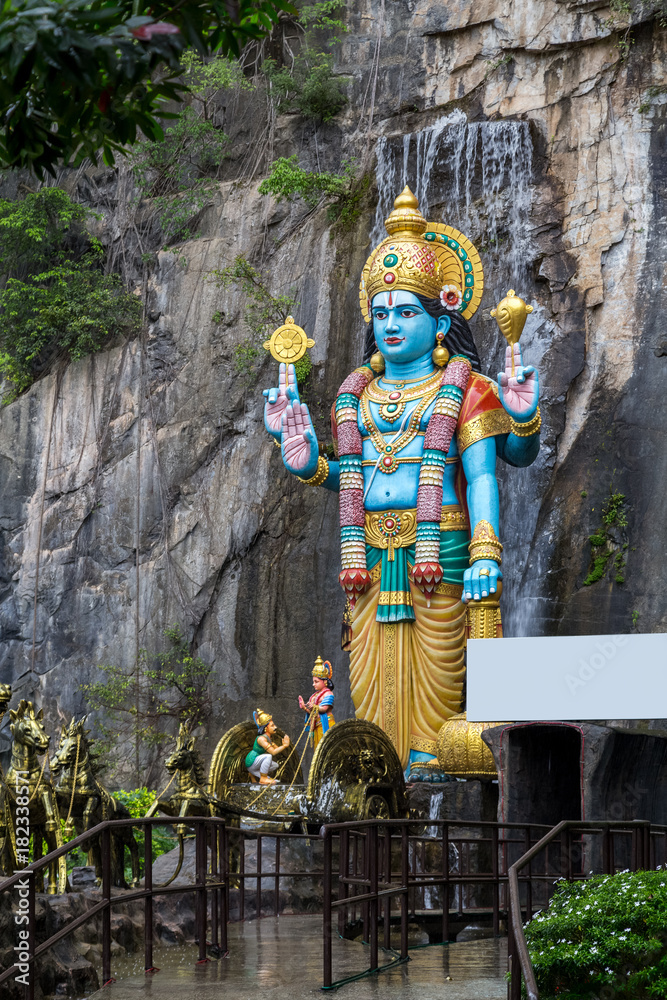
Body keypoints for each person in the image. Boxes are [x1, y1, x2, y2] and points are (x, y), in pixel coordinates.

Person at [263, 187, 540, 779]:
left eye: (406, 311)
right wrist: (306, 457)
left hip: (442, 550)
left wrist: (488, 548)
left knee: (440, 687)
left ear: (441, 319)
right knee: (369, 677)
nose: (391, 324)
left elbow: (487, 470)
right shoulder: (358, 398)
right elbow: (353, 476)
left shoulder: (468, 389)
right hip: (366, 563)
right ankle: (376, 776)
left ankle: (431, 776)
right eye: (382, 312)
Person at [245, 709, 290, 785]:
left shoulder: (268, 739)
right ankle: (263, 778)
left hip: (257, 761)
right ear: (266, 728)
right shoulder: (262, 739)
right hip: (251, 761)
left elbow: (277, 749)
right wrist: (284, 746)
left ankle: (253, 774)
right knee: (268, 757)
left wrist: (283, 746)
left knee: (275, 765)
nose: (275, 727)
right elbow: (273, 752)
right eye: (272, 726)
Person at [298, 656, 335, 748]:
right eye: (313, 681)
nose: (313, 684)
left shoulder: (328, 694)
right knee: (317, 751)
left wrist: (313, 706)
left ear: (325, 681)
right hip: (317, 725)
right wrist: (304, 707)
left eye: (316, 681)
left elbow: (323, 709)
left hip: (326, 725)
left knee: (325, 749)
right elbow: (313, 713)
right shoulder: (315, 695)